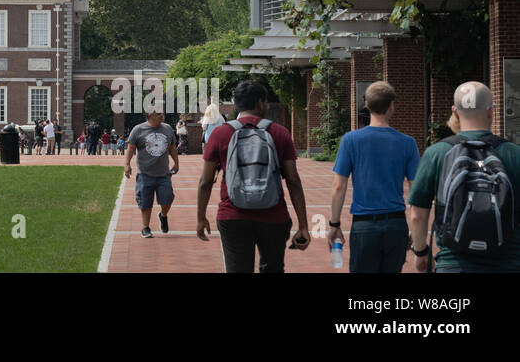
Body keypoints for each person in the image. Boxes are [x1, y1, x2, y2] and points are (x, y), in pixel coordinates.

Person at [196, 80, 311, 272]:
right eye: (265, 102)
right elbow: (293, 181)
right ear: (259, 103)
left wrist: (201, 217)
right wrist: (303, 225)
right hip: (274, 215)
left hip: (232, 214)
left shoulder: (221, 133)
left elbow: (205, 182)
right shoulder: (279, 133)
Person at [408, 82, 520, 273]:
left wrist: (421, 253)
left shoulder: (437, 152)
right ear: (491, 111)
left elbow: (418, 215)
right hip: (507, 263)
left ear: (455, 112)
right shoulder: (514, 154)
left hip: (453, 263)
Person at [328, 81, 420, 272]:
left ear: (366, 105)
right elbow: (416, 191)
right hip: (396, 223)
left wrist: (334, 224)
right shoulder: (408, 143)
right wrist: (414, 228)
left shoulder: (351, 140)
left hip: (364, 224)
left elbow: (339, 186)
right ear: (392, 105)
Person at [124, 111, 179, 238]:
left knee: (167, 199)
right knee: (145, 202)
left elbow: (172, 148)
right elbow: (131, 148)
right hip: (145, 173)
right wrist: (127, 164)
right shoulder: (138, 130)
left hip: (163, 174)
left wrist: (176, 163)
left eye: (162, 113)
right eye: (158, 114)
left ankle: (163, 215)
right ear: (150, 116)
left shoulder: (167, 128)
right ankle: (145, 227)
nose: (162, 115)